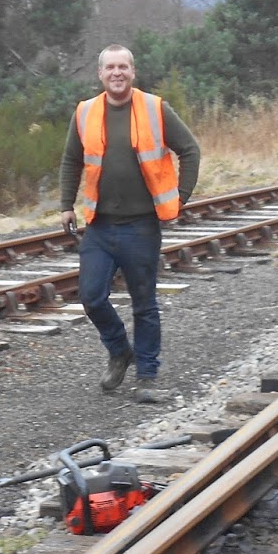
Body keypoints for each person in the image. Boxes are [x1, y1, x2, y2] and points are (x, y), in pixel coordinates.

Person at [59, 45, 201, 404]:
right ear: (100, 73)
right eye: (110, 67)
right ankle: (120, 350)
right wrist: (65, 205)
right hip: (100, 225)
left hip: (141, 225)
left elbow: (191, 149)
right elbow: (71, 160)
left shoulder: (155, 108)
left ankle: (147, 377)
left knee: (144, 303)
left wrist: (179, 197)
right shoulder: (85, 112)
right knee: (91, 297)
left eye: (123, 66)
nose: (117, 73)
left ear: (133, 72)